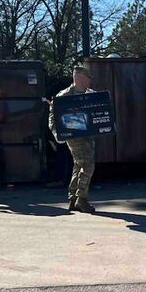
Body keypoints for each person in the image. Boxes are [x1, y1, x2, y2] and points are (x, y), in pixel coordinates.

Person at [49, 66, 96, 214]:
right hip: (74, 136)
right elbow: (52, 117)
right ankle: (81, 199)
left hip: (88, 136)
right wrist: (57, 133)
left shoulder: (91, 94)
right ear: (79, 78)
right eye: (88, 78)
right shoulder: (64, 96)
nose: (90, 81)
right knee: (87, 164)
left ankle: (73, 198)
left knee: (79, 164)